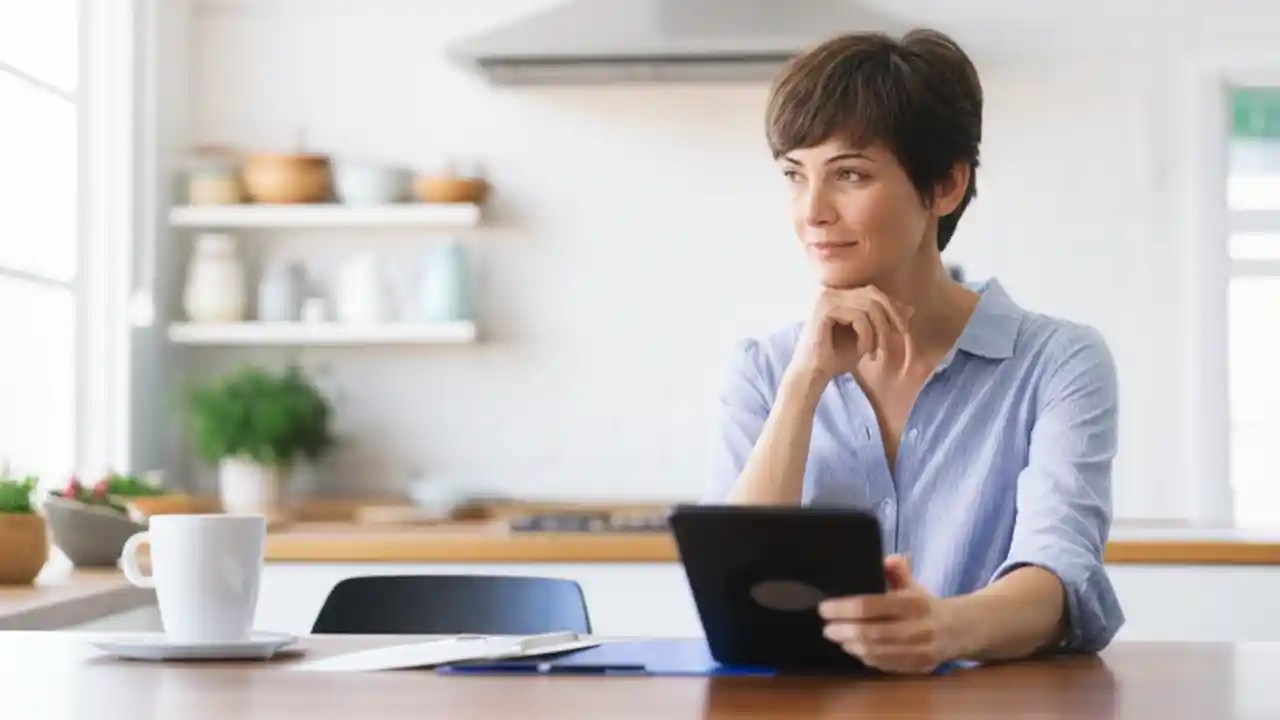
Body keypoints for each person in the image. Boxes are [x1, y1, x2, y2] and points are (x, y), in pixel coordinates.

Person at [704, 29, 1124, 674]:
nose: (811, 211)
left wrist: (944, 628)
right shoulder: (764, 368)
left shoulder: (1057, 362)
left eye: (849, 174)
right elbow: (731, 590)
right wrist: (804, 385)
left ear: (946, 185)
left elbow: (1059, 577)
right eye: (795, 175)